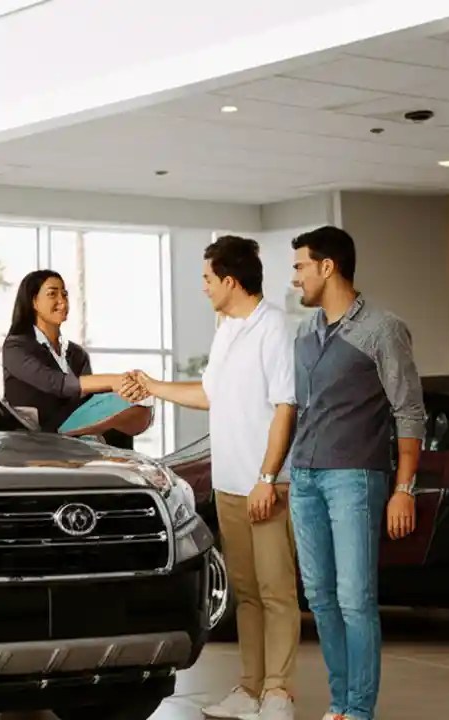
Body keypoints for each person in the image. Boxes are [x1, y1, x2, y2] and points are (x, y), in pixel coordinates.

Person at [121, 236, 299, 720]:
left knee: (276, 591)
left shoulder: (274, 327)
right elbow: (208, 395)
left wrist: (268, 476)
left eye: (206, 279)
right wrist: (152, 385)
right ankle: (249, 688)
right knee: (245, 593)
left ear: (230, 280)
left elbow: (287, 404)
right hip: (229, 483)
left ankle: (279, 693)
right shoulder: (227, 330)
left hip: (268, 484)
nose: (202, 288)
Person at [287, 225, 424, 720]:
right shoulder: (304, 333)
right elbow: (302, 407)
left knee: (355, 598)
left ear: (328, 266)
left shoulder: (383, 329)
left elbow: (409, 411)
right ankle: (340, 703)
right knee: (320, 597)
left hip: (355, 479)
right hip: (304, 477)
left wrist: (403, 488)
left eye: (300, 266)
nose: (295, 278)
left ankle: (360, 709)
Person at [0, 270, 136, 445]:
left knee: (125, 408)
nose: (62, 302)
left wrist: (125, 389)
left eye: (64, 294)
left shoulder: (77, 354)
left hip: (75, 440)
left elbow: (88, 401)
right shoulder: (16, 347)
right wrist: (114, 381)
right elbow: (55, 383)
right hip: (32, 442)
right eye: (52, 294)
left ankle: (125, 467)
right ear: (33, 301)